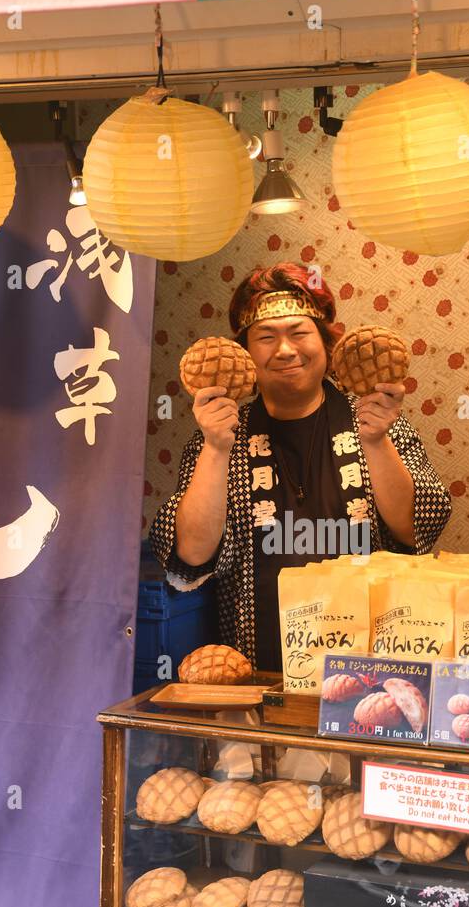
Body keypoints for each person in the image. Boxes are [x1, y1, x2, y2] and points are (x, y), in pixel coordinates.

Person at [150, 263, 452, 672]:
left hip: (375, 669)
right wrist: (216, 449)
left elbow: (419, 527)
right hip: (258, 671)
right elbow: (190, 554)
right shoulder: (221, 437)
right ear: (245, 354)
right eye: (266, 337)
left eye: (300, 332)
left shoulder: (377, 420)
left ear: (327, 344)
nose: (286, 350)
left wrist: (376, 441)